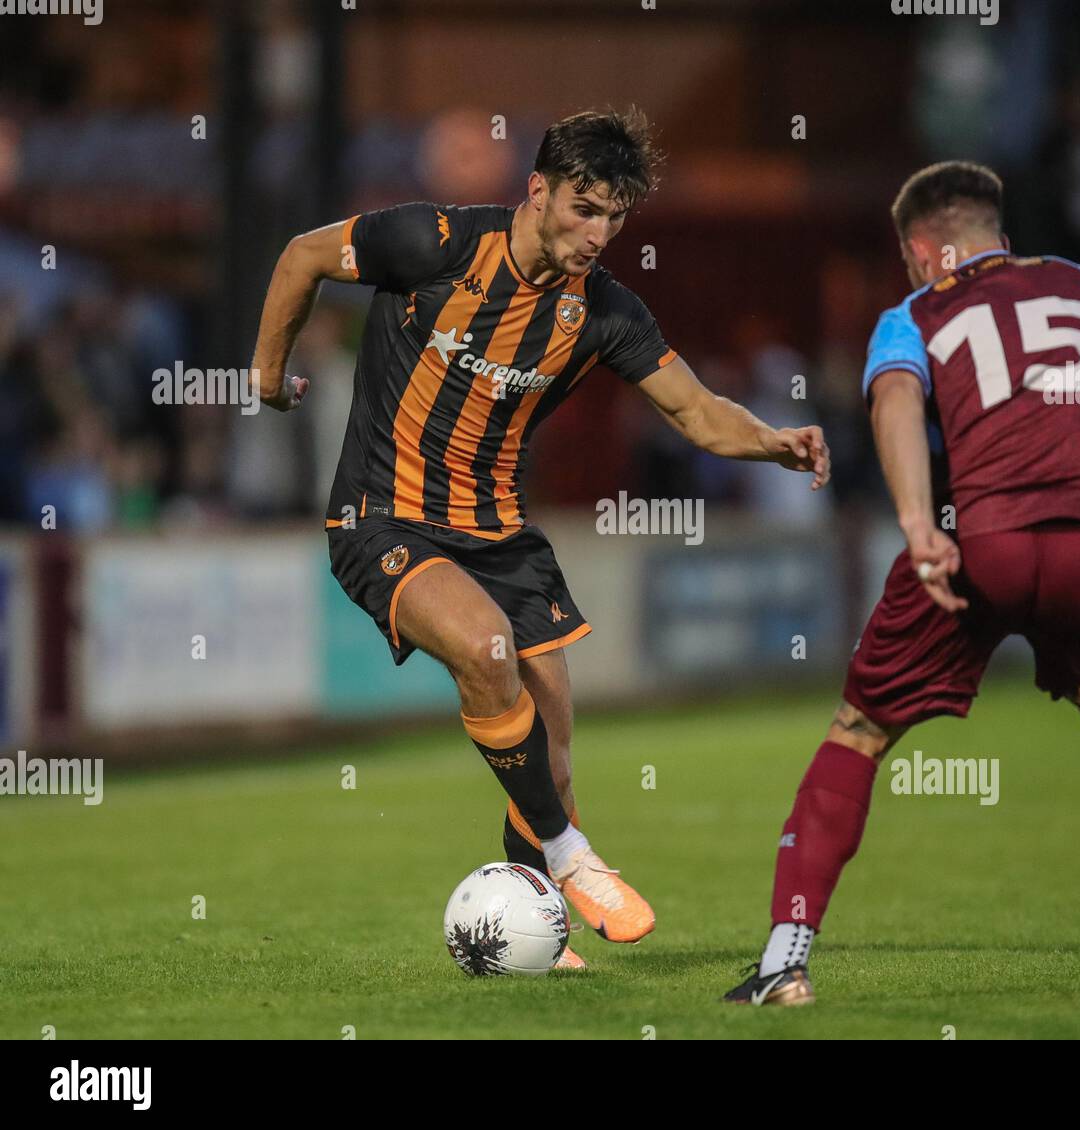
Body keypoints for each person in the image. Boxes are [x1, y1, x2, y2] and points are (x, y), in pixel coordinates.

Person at [248, 108, 830, 969]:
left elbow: (698, 411)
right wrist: (265, 374)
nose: (598, 233)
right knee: (487, 652)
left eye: (615, 218)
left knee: (551, 753)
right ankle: (571, 857)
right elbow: (302, 254)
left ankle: (541, 936)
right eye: (583, 209)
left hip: (501, 535)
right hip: (383, 519)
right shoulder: (435, 242)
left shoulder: (605, 313)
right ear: (539, 190)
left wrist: (774, 440)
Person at [725, 160, 1080, 1005]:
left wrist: (915, 523)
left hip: (985, 544)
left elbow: (894, 401)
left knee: (859, 731)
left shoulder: (916, 313)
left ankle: (786, 962)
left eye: (907, 260)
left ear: (927, 251)